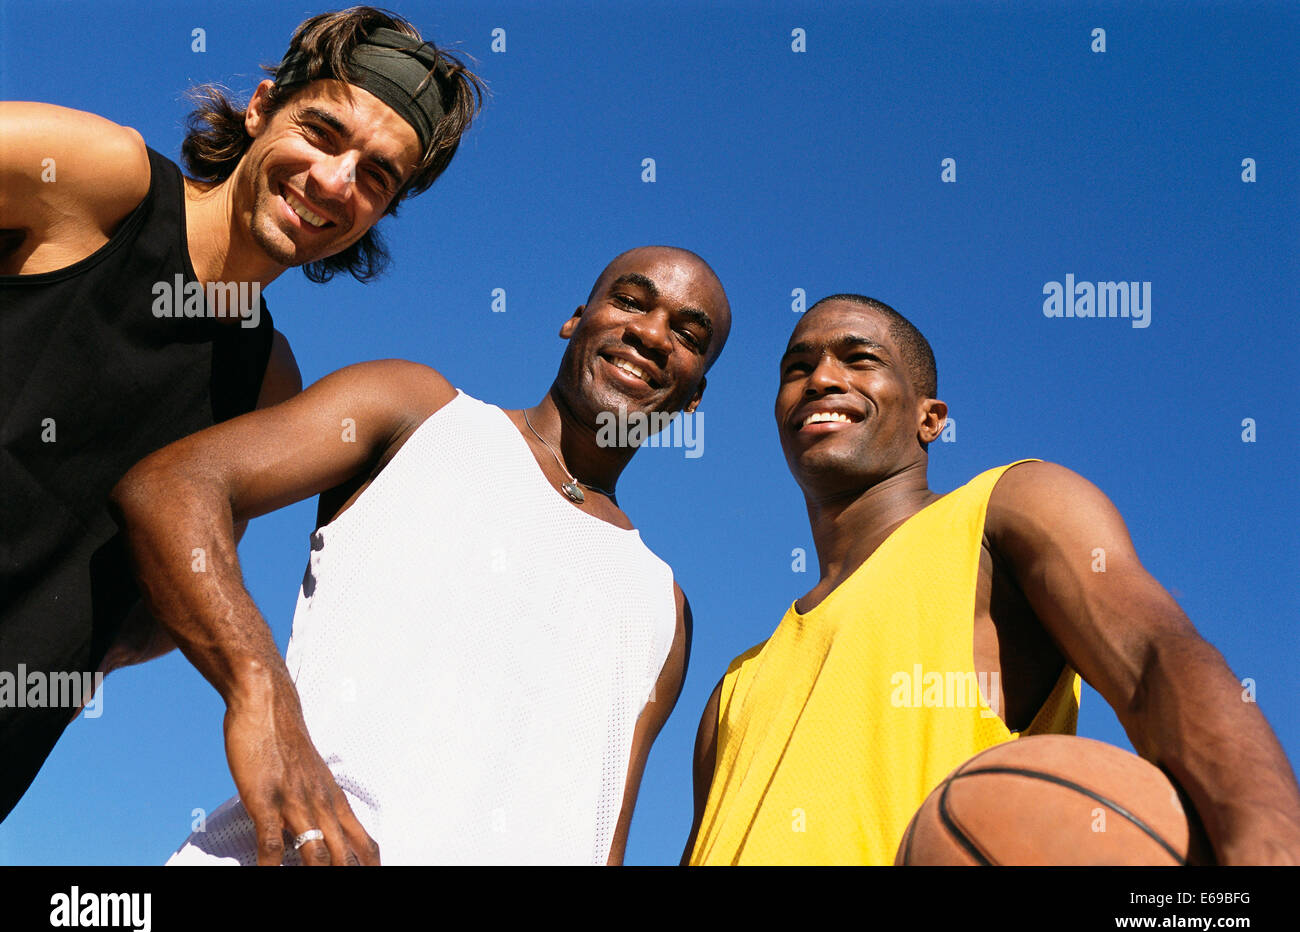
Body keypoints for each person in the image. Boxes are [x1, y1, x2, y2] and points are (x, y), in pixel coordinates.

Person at [0, 6, 484, 824]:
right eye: (324, 133)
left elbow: (156, 615)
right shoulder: (102, 182)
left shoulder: (269, 387)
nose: (335, 183)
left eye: (377, 177)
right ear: (262, 107)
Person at [111, 245, 732, 865]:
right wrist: (262, 694)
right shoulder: (416, 411)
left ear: (695, 396)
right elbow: (171, 487)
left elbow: (601, 841)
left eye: (686, 333)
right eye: (629, 301)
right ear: (577, 317)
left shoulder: (664, 607)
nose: (650, 334)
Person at [684, 293, 1300, 865]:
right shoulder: (736, 687)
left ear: (931, 419)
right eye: (797, 368)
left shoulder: (1005, 509)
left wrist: (1266, 841)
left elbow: (1155, 659)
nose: (820, 378)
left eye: (859, 358)